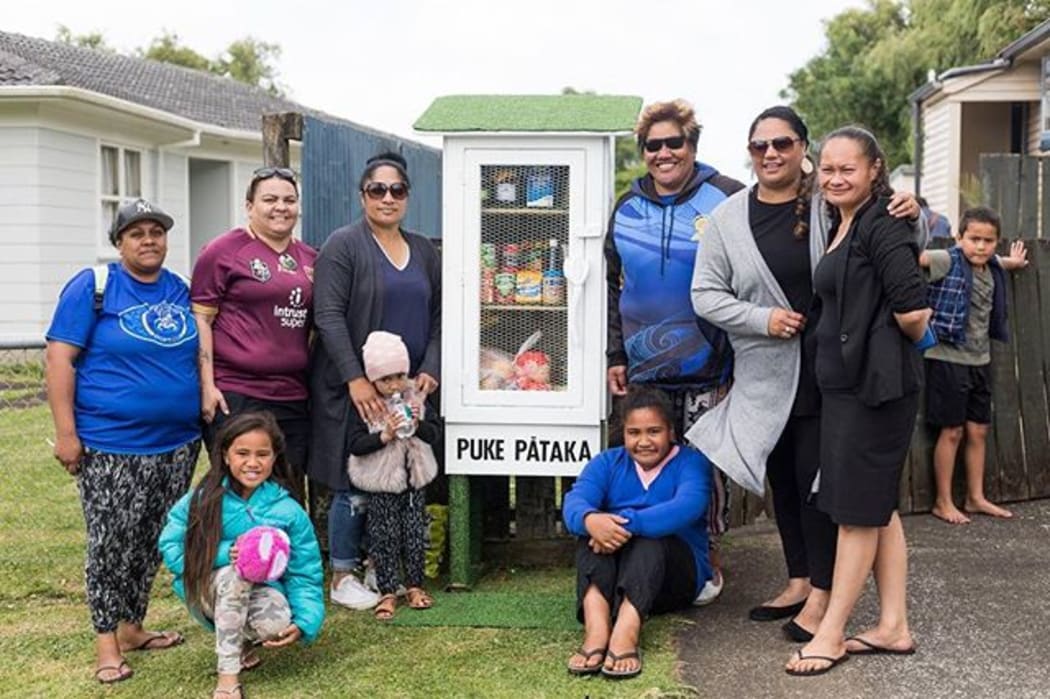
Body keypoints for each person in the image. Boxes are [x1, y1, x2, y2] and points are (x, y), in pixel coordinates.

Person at [688, 106, 923, 641]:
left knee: (822, 485)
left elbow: (890, 241)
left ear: (802, 148)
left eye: (783, 143)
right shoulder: (728, 218)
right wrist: (761, 318)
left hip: (832, 369)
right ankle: (798, 579)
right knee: (785, 480)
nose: (771, 153)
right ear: (749, 155)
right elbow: (703, 294)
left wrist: (910, 207)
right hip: (767, 372)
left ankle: (822, 595)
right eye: (759, 146)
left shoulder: (828, 198)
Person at [786, 126, 931, 676]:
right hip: (847, 391)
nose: (835, 177)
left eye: (848, 168)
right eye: (827, 168)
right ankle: (893, 626)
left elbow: (912, 309)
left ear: (875, 170)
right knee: (878, 507)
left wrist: (898, 352)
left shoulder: (885, 224)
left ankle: (832, 632)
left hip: (875, 392)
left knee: (854, 514)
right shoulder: (838, 219)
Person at [45, 198, 201, 684]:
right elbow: (58, 361)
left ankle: (133, 625)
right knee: (110, 543)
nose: (149, 240)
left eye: (156, 231)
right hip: (112, 443)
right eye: (137, 233)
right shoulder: (93, 288)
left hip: (177, 443)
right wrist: (67, 435)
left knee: (152, 540)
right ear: (119, 242)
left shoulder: (180, 290)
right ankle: (106, 641)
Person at [604, 98, 742, 599]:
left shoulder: (726, 197)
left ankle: (706, 556)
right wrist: (614, 355)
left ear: (692, 145)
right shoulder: (626, 206)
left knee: (703, 466)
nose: (663, 153)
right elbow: (611, 285)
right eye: (652, 145)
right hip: (643, 371)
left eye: (673, 142)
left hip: (709, 364)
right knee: (646, 461)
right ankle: (644, 553)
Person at [310, 152, 441, 611]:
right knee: (355, 481)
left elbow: (442, 314)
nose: (387, 198)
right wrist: (355, 378)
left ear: (407, 197)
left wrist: (431, 367)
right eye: (377, 190)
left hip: (406, 389)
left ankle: (379, 564)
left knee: (398, 481)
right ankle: (343, 572)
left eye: (397, 190)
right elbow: (326, 315)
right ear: (362, 195)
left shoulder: (424, 249)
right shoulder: (343, 245)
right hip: (358, 388)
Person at [159, 412, 324, 699]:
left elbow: (305, 571)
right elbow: (171, 547)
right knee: (237, 575)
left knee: (275, 623)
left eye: (263, 454)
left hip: (258, 591)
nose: (252, 462)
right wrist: (227, 555)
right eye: (242, 453)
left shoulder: (288, 511)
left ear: (274, 458)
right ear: (225, 455)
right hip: (207, 587)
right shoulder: (204, 498)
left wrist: (306, 619)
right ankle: (228, 676)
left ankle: (244, 642)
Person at [563, 386, 713, 679]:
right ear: (625, 433)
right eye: (634, 433)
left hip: (673, 579)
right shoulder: (607, 462)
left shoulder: (691, 463)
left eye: (654, 431)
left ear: (671, 431)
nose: (643, 441)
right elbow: (574, 503)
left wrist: (618, 524)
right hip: (618, 578)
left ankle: (626, 633)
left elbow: (687, 506)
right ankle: (597, 631)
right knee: (589, 536)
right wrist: (591, 520)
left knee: (649, 540)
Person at [192, 166, 316, 492]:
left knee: (286, 492)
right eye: (270, 199)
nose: (281, 207)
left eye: (289, 200)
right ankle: (233, 547)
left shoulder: (310, 259)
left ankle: (280, 546)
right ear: (250, 206)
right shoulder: (222, 252)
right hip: (237, 394)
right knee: (238, 490)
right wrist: (207, 386)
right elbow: (201, 319)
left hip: (292, 396)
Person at [920, 206, 1028, 524]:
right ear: (959, 237)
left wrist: (1015, 262)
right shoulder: (947, 259)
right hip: (948, 358)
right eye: (974, 239)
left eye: (988, 240)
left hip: (980, 359)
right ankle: (942, 501)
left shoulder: (991, 264)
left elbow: (999, 261)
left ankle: (975, 496)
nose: (980, 246)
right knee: (951, 431)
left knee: (978, 430)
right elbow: (916, 259)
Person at [347, 331, 440, 620]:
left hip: (413, 478)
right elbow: (355, 445)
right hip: (381, 481)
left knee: (414, 532)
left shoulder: (417, 396)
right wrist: (384, 436)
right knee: (383, 535)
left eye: (399, 376)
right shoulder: (367, 405)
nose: (394, 385)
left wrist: (419, 421)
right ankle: (387, 590)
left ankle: (414, 585)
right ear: (372, 380)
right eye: (385, 379)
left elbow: (434, 434)